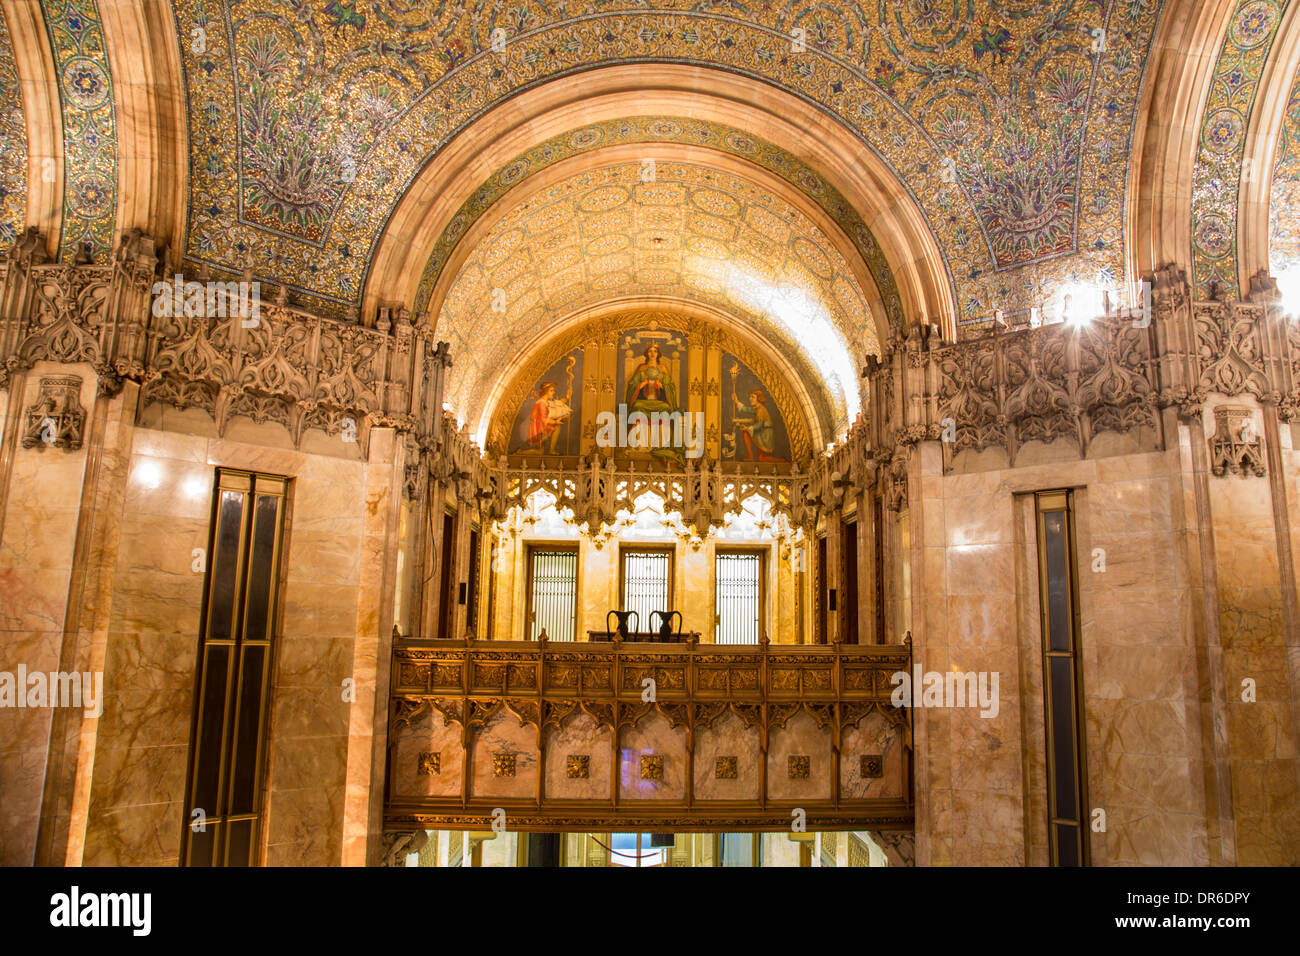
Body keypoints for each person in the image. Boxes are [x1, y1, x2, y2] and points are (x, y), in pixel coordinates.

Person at [625, 343, 681, 462]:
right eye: (650, 351)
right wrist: (642, 384)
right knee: (637, 407)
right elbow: (632, 385)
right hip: (644, 401)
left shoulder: (663, 369)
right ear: (646, 353)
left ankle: (661, 445)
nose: (652, 353)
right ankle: (641, 445)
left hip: (658, 401)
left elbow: (671, 387)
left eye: (655, 351)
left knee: (665, 408)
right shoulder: (641, 368)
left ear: (658, 353)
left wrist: (663, 386)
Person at [731, 387, 784, 461]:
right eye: (750, 396)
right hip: (762, 433)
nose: (750, 398)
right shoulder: (757, 408)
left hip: (765, 436)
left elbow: (759, 425)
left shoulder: (761, 410)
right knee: (761, 458)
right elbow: (746, 409)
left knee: (745, 433)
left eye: (753, 397)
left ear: (758, 398)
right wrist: (736, 401)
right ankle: (781, 460)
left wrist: (747, 428)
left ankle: (750, 456)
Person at [522, 382, 570, 453]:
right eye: (551, 391)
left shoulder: (546, 402)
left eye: (553, 390)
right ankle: (551, 450)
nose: (553, 392)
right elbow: (544, 418)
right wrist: (555, 422)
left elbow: (557, 404)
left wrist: (567, 397)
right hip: (538, 428)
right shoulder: (541, 403)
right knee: (556, 427)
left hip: (540, 425)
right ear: (545, 391)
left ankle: (551, 450)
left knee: (540, 452)